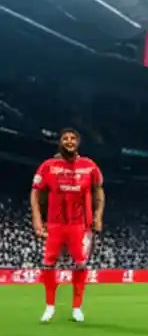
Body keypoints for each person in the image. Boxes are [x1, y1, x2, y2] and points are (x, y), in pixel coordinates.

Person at [31, 128, 104, 323]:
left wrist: (98, 216)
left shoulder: (89, 166)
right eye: (65, 138)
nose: (69, 141)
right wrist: (37, 219)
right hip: (55, 224)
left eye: (73, 138)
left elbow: (99, 192)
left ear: (78, 142)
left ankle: (77, 308)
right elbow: (35, 193)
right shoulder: (48, 166)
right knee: (48, 264)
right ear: (60, 142)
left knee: (80, 264)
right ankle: (49, 306)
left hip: (78, 225)